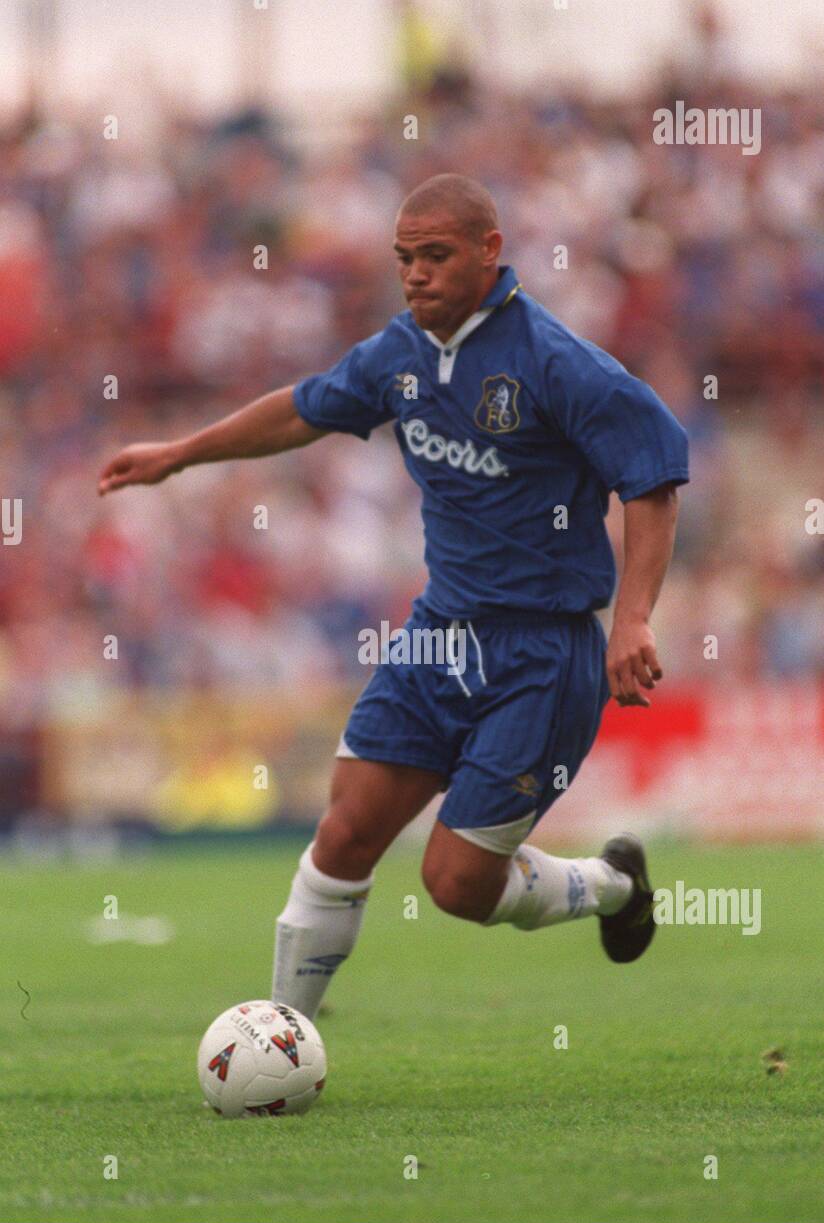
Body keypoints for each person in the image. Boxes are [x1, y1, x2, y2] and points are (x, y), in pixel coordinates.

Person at [98, 173, 688, 1020]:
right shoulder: (400, 354)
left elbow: (654, 479)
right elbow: (302, 410)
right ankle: (283, 1034)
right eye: (404, 258)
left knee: (452, 882)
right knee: (344, 831)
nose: (414, 275)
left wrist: (631, 618)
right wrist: (181, 453)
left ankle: (610, 884)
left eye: (435, 256)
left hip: (542, 651)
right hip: (437, 633)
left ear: (491, 252)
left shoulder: (557, 363)